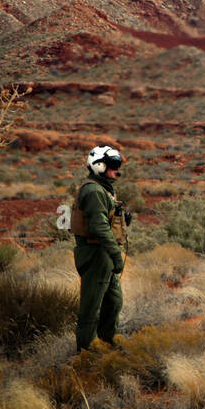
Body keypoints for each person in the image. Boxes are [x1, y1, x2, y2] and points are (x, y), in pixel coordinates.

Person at [72, 145, 129, 352]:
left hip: (103, 253)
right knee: (91, 308)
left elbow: (105, 221)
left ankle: (107, 344)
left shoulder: (102, 188)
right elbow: (99, 226)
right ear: (99, 166)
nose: (117, 171)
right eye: (113, 166)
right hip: (96, 254)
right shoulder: (94, 191)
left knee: (114, 302)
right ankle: (85, 353)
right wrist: (116, 255)